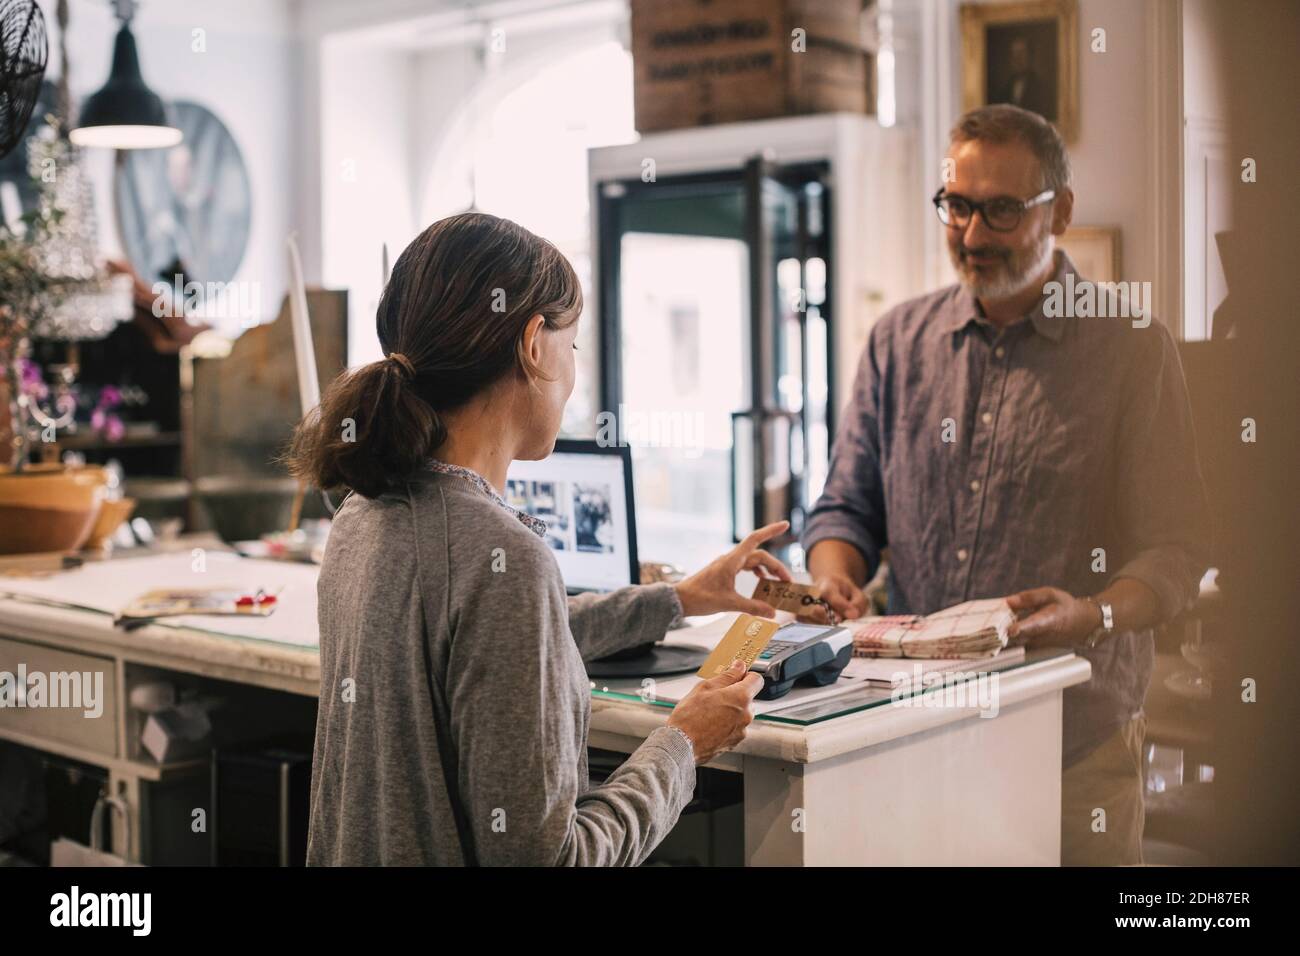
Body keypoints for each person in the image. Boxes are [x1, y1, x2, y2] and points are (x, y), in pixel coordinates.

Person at [293, 212, 792, 865]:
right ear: (533, 344)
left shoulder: (360, 514)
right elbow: (554, 860)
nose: (574, 369)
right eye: (573, 345)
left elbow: (497, 648)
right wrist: (682, 745)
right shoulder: (503, 558)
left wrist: (678, 599)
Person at [803, 105, 1210, 866]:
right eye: (957, 206)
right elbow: (845, 508)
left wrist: (1090, 613)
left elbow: (1178, 550)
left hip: (1076, 745)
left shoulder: (1132, 350)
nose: (972, 235)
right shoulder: (898, 341)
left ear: (1059, 210)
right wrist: (834, 580)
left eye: (999, 210)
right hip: (914, 727)